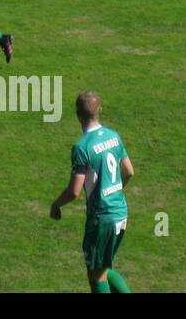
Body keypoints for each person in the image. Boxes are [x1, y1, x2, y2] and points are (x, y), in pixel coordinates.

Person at [50, 90, 135, 294]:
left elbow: (74, 191)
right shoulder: (113, 136)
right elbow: (130, 172)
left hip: (101, 218)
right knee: (104, 269)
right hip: (120, 211)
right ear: (100, 110)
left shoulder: (82, 148)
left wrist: (56, 205)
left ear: (78, 115)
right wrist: (113, 191)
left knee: (96, 275)